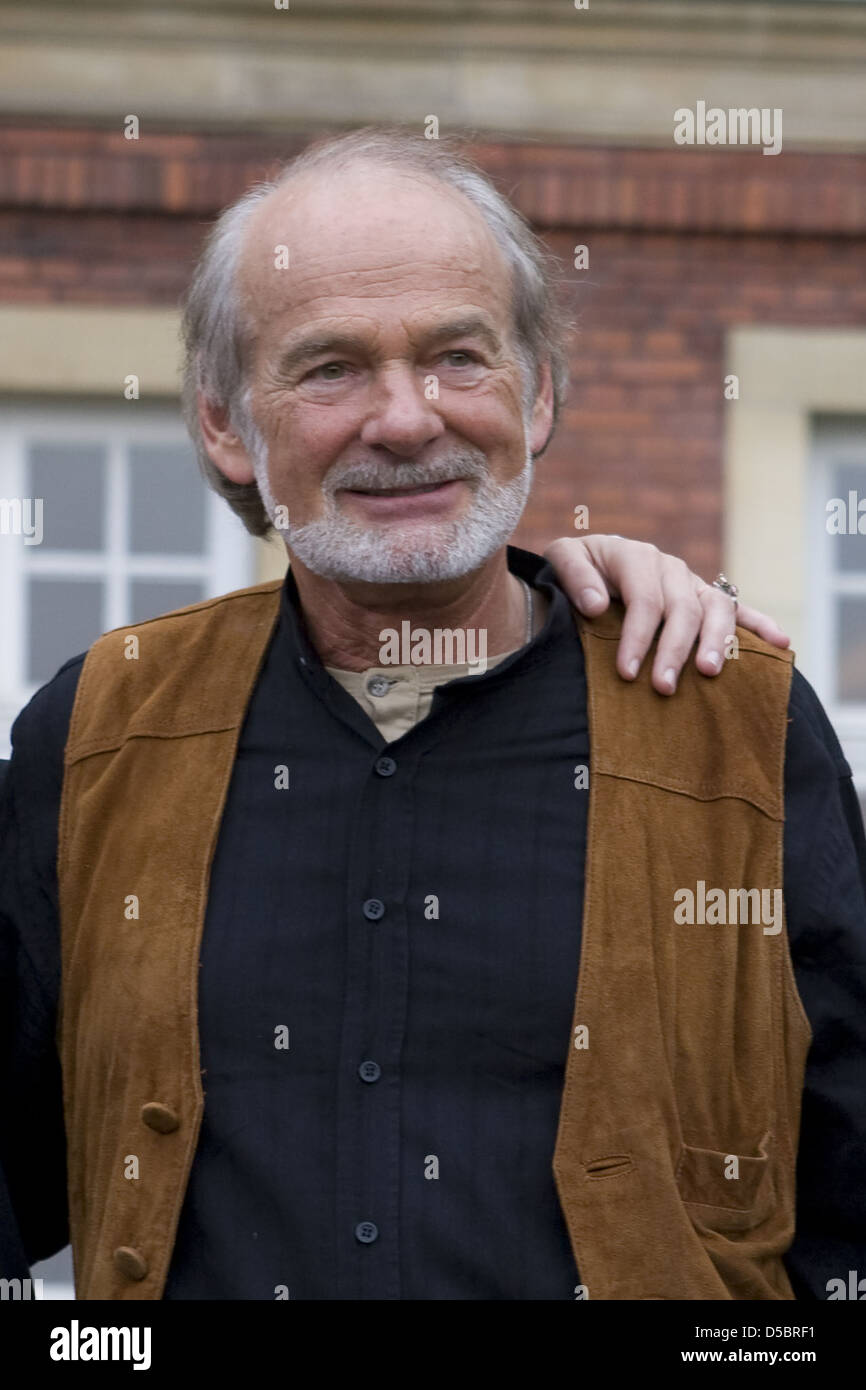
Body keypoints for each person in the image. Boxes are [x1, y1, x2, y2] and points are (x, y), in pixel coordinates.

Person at [1, 127, 863, 1301]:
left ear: (540, 391)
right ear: (223, 425)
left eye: (460, 357)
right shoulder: (98, 733)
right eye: (329, 369)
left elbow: (848, 1190)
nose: (406, 419)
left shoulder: (732, 728)